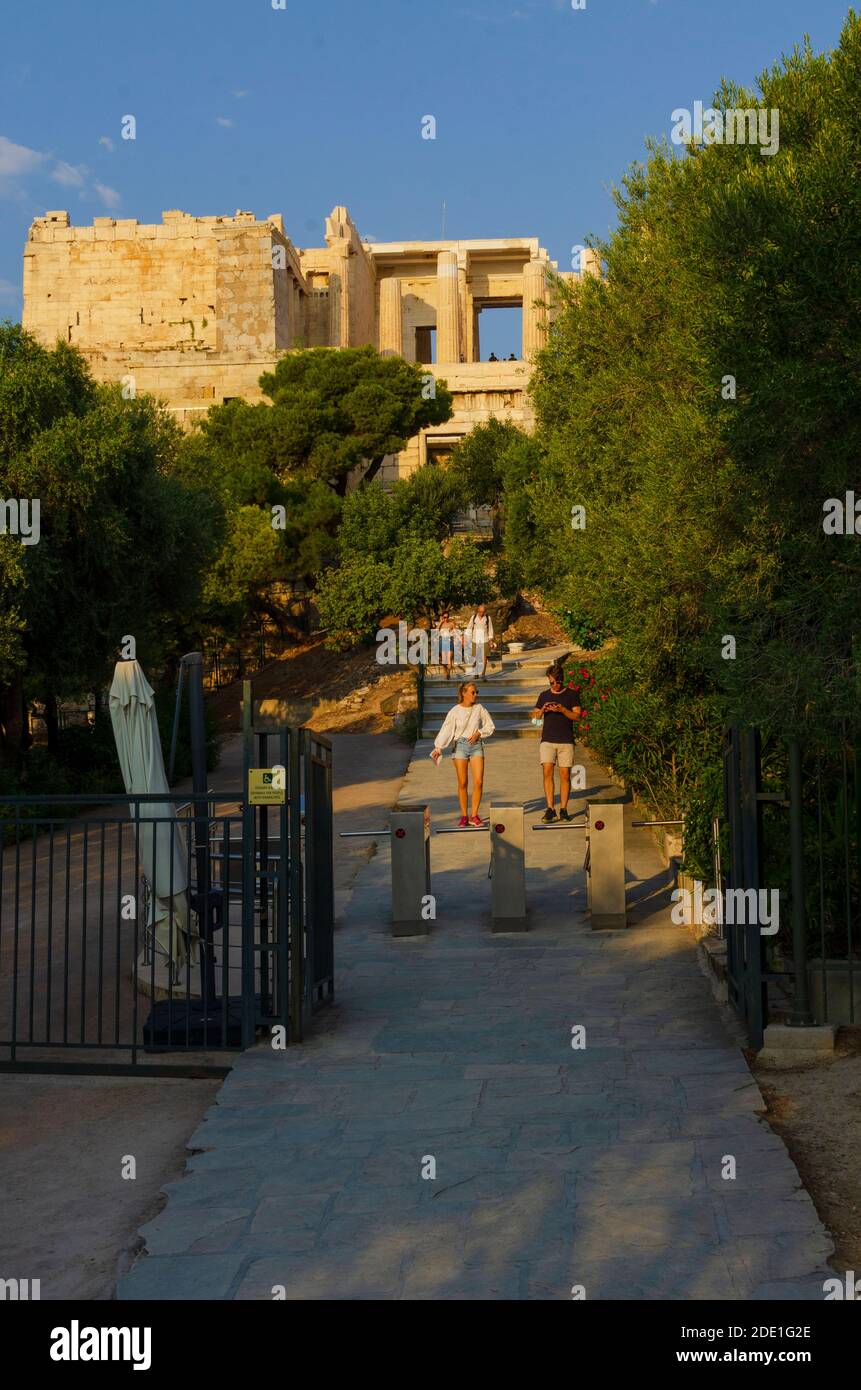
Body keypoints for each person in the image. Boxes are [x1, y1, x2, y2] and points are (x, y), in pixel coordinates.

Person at [430, 682, 495, 827]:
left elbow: (490, 725)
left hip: (476, 745)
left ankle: (474, 815)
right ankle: (464, 816)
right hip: (460, 746)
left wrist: (479, 733)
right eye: (472, 692)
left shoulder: (479, 708)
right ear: (464, 693)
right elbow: (447, 729)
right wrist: (438, 747)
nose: (475, 695)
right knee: (463, 783)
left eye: (476, 692)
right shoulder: (455, 711)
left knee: (478, 782)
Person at [530, 663, 581, 822]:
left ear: (562, 679)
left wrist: (562, 710)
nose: (554, 685)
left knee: (565, 775)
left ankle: (564, 809)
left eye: (557, 682)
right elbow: (535, 722)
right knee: (547, 771)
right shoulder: (544, 695)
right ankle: (550, 808)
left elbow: (577, 717)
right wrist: (542, 710)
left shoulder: (571, 695)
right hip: (548, 740)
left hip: (566, 740)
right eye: (551, 682)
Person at [464, 604, 494, 676]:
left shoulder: (487, 618)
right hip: (475, 640)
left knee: (484, 657)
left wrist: (490, 639)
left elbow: (490, 628)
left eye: (483, 612)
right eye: (480, 611)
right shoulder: (473, 617)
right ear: (478, 611)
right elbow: (469, 627)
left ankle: (483, 673)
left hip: (485, 639)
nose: (482, 613)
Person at [437, 611, 455, 679]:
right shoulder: (440, 624)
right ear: (442, 617)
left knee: (449, 659)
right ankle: (446, 672)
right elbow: (436, 630)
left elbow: (456, 632)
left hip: (449, 641)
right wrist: (441, 622)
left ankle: (448, 674)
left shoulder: (451, 624)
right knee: (444, 660)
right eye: (444, 617)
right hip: (442, 641)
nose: (446, 618)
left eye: (447, 617)